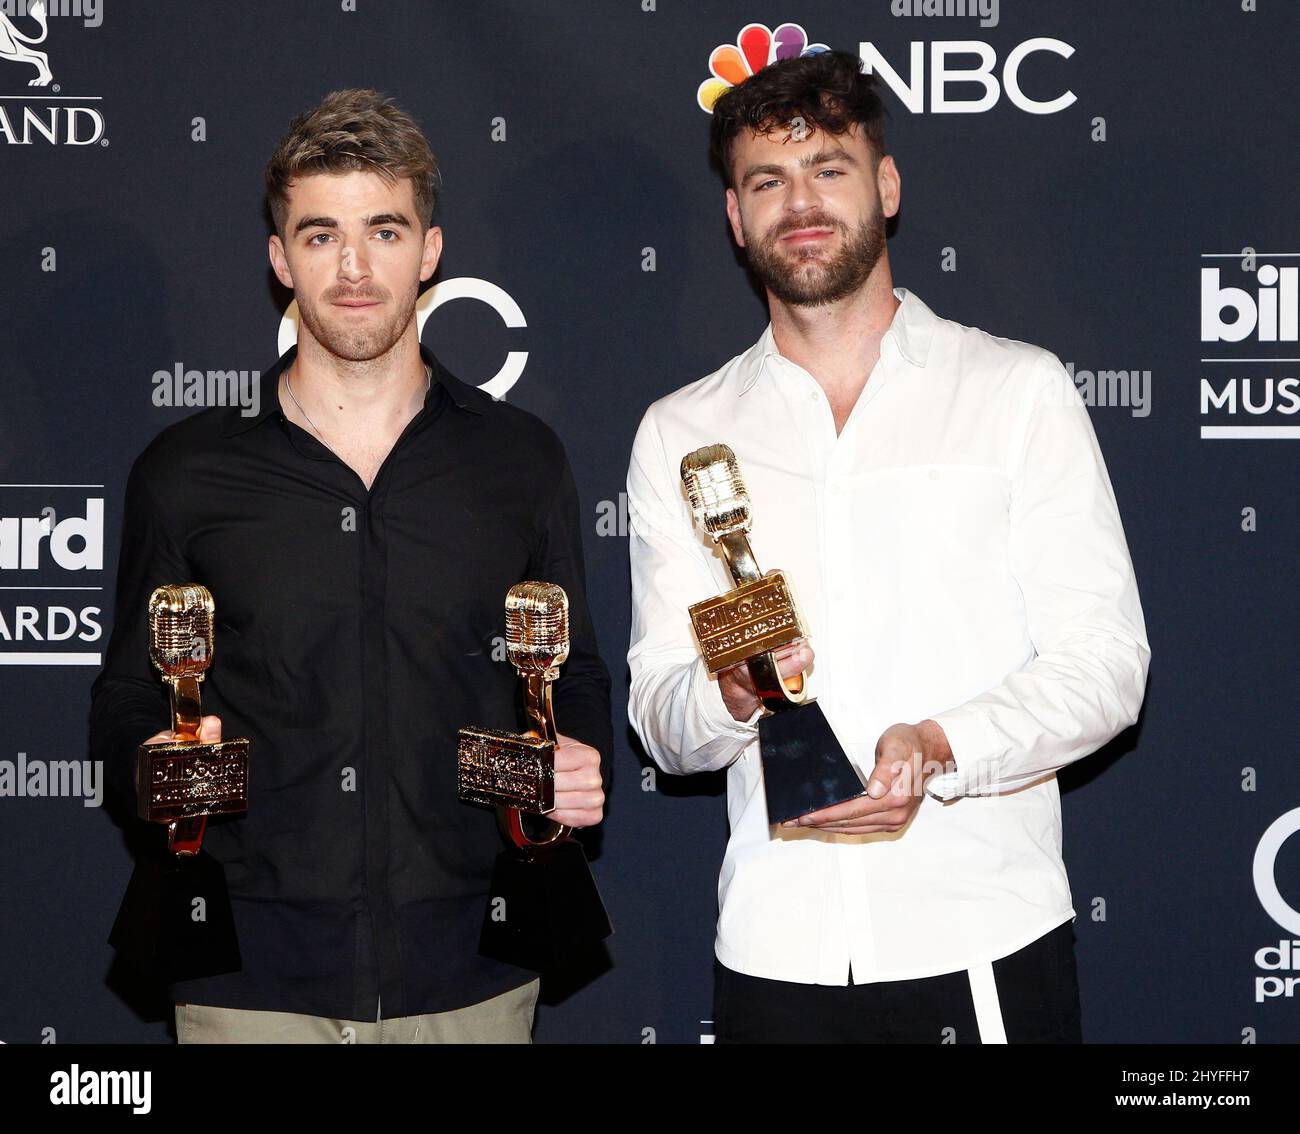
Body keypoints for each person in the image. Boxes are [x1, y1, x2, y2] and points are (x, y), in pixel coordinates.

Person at [626, 50, 1150, 1043]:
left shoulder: (1013, 392)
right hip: (775, 951)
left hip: (978, 937)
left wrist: (938, 748)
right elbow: (660, 713)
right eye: (766, 182)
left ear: (887, 185)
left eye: (829, 167)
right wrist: (733, 692)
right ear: (735, 220)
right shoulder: (680, 432)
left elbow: (1107, 667)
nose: (800, 203)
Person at [90, 88, 610, 1044]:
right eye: (322, 235)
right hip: (249, 974)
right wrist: (152, 765)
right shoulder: (188, 472)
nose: (357, 267)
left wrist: (577, 766)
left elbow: (570, 675)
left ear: (431, 250)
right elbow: (129, 694)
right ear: (281, 258)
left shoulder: (518, 460)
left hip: (471, 968)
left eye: (384, 229)